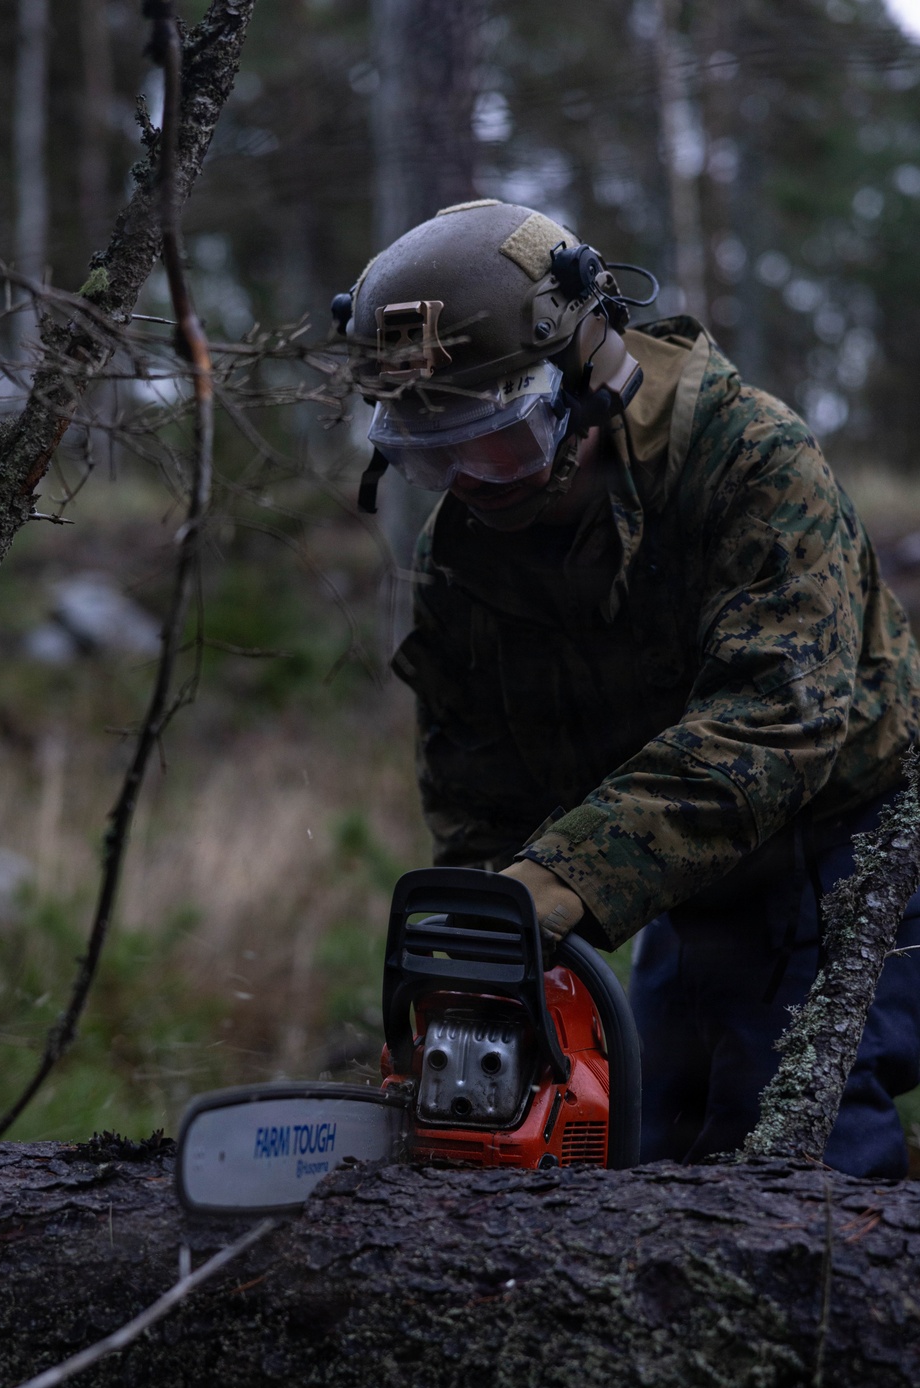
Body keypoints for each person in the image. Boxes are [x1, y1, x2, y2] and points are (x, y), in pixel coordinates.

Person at [333, 198, 920, 1178]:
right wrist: (486, 944)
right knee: (646, 1134)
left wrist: (558, 884)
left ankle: (848, 1320)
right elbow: (478, 770)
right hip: (695, 870)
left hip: (870, 836)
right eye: (435, 456)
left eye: (496, 441)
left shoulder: (748, 458)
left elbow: (773, 723)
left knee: (784, 1121)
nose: (470, 481)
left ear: (590, 378)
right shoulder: (469, 546)